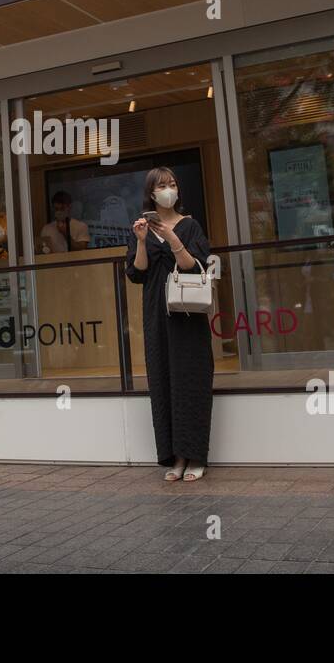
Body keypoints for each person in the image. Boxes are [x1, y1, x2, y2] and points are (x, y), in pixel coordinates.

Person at [125, 167, 214, 482]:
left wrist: (172, 236)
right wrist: (140, 240)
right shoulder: (142, 228)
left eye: (173, 184)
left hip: (187, 314)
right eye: (162, 186)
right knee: (164, 382)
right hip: (155, 314)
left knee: (190, 380)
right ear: (151, 193)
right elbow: (137, 274)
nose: (168, 190)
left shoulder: (190, 225)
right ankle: (175, 457)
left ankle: (196, 455)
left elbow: (194, 266)